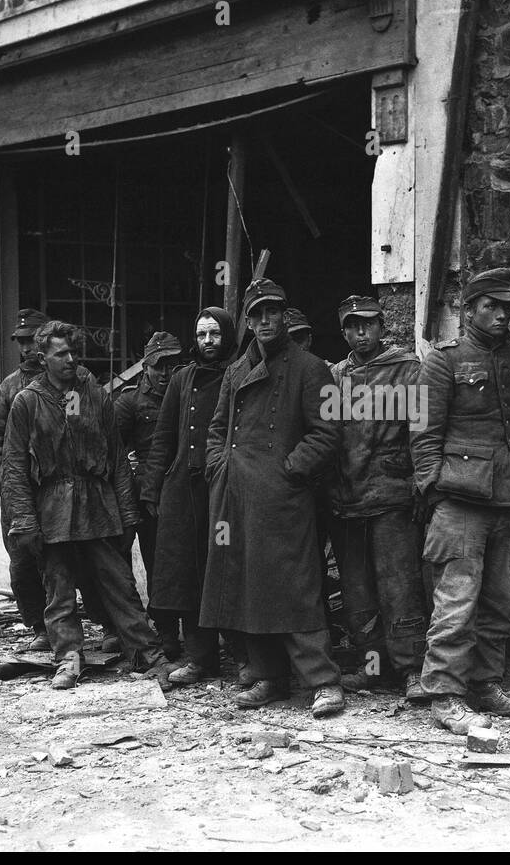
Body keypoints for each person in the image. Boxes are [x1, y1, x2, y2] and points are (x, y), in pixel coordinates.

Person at [410, 268, 510, 734]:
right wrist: (434, 487)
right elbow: (423, 433)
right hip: (460, 501)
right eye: (491, 306)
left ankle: (486, 684)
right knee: (456, 600)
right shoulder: (443, 361)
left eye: (508, 307)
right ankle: (445, 693)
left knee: (500, 601)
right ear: (468, 310)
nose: (502, 315)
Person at [200, 279, 345, 718]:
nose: (265, 321)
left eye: (273, 312)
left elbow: (328, 432)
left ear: (285, 316)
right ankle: (269, 678)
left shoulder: (310, 367)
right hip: (236, 496)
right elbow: (216, 429)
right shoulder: (235, 372)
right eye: (257, 314)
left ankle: (323, 681)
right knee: (247, 586)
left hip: (282, 499)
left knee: (295, 587)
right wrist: (218, 467)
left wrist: (289, 471)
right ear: (247, 321)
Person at [2, 320, 170, 690]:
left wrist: (127, 512)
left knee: (120, 585)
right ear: (42, 357)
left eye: (72, 352)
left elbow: (115, 455)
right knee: (58, 589)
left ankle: (149, 655)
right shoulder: (26, 402)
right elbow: (14, 466)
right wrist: (25, 520)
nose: (70, 359)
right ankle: (68, 659)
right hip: (53, 509)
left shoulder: (93, 393)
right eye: (61, 353)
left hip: (97, 504)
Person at [326, 295, 428, 701]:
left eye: (367, 324)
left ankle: (412, 671)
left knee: (399, 587)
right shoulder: (334, 377)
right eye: (352, 326)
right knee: (357, 590)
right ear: (344, 331)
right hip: (347, 500)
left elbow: (423, 432)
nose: (360, 332)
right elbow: (326, 437)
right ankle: (373, 667)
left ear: (382, 326)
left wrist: (422, 484)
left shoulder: (407, 371)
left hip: (392, 497)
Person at [141, 307, 238, 686]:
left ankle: (244, 658)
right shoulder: (182, 379)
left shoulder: (238, 372)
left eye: (215, 334)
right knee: (185, 576)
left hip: (221, 489)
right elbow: (163, 437)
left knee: (226, 569)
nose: (208, 342)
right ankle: (201, 659)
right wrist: (152, 490)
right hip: (183, 489)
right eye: (201, 335)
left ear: (226, 335)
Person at [0, 308, 51, 651]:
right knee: (23, 567)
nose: (26, 348)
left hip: (54, 490)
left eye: (33, 340)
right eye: (22, 342)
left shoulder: (65, 382)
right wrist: (3, 482)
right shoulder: (9, 388)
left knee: (60, 562)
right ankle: (39, 628)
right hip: (17, 492)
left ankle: (69, 626)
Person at [115, 330, 183, 652]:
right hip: (148, 496)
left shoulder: (185, 394)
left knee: (185, 562)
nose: (166, 374)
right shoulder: (129, 402)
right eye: (159, 367)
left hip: (183, 491)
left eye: (172, 365)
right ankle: (165, 631)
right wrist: (133, 482)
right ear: (146, 368)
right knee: (158, 564)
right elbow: (113, 450)